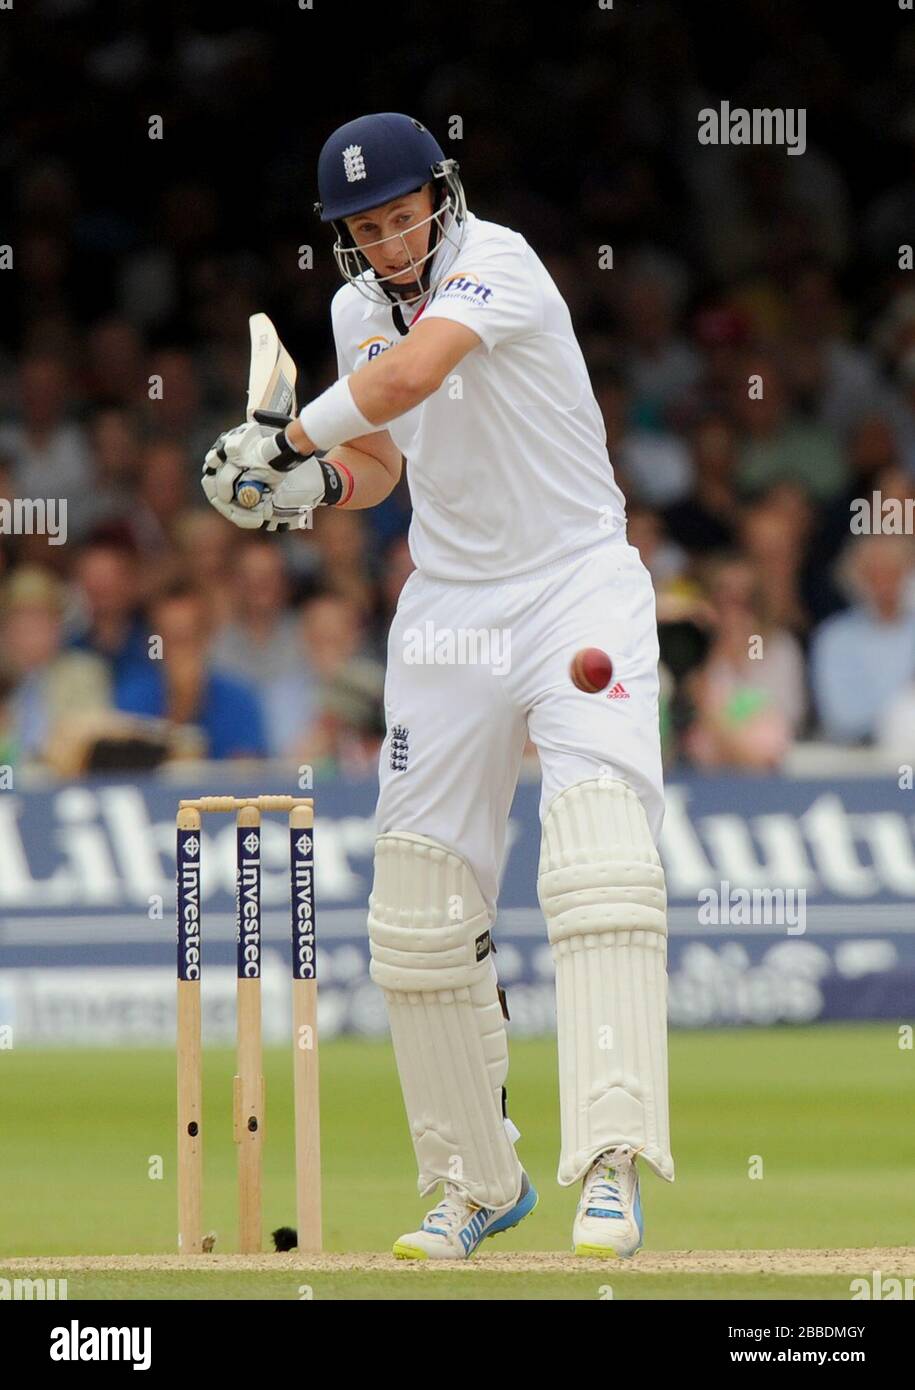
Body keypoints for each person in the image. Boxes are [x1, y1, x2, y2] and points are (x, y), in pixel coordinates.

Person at [201, 113, 672, 1260]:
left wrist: (281, 433)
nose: (391, 238)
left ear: (439, 196)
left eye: (403, 213)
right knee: (415, 910)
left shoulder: (496, 260)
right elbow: (382, 458)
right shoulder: (354, 308)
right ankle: (473, 1181)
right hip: (451, 607)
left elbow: (413, 374)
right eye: (366, 226)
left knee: (599, 864)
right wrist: (301, 489)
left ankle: (609, 1169)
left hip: (575, 585)